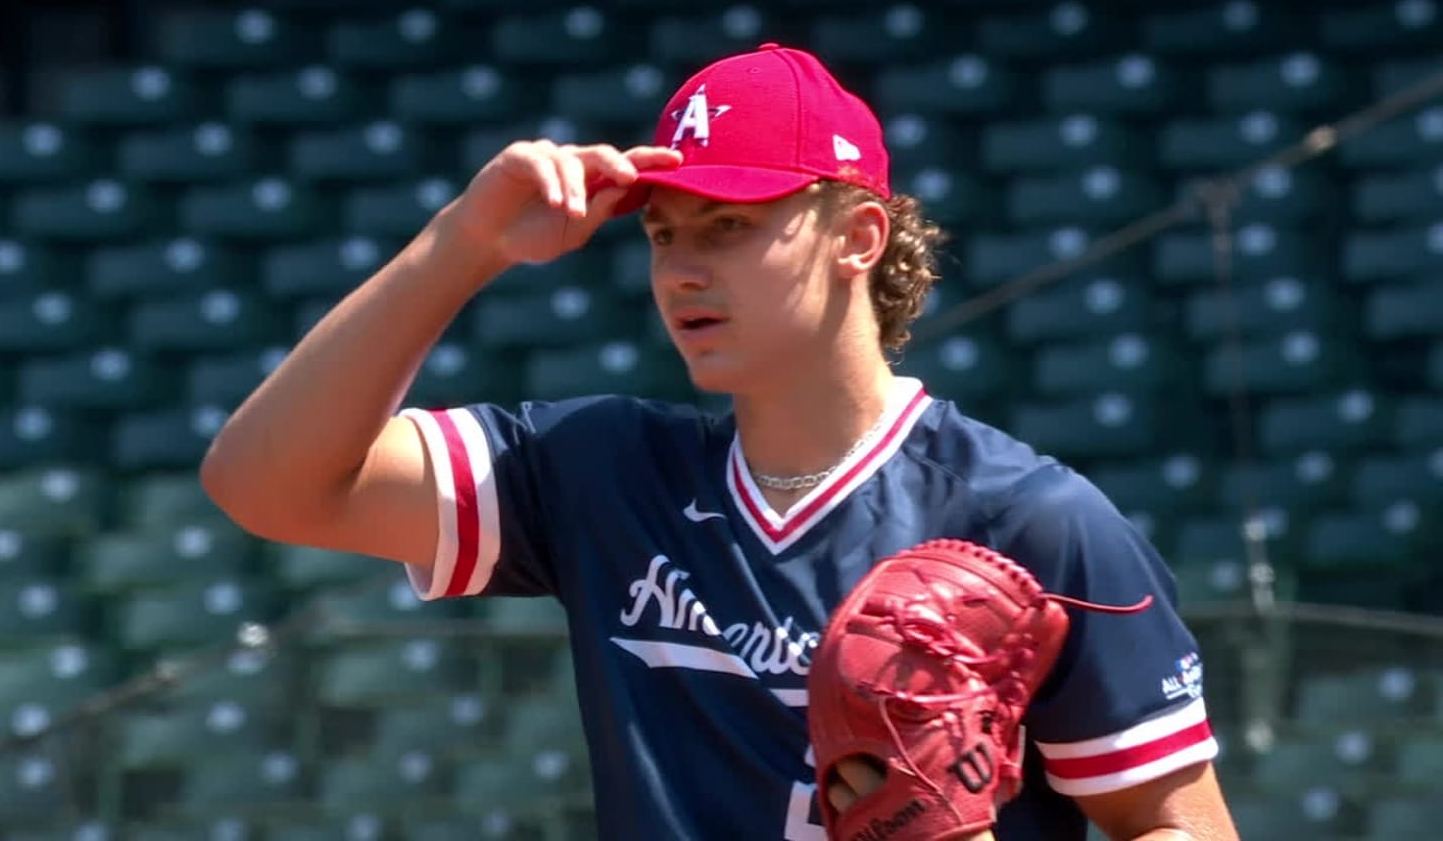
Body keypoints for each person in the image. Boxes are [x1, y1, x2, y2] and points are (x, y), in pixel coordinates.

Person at [200, 43, 1239, 840]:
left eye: (729, 227)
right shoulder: (604, 470)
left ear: (858, 237)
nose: (682, 270)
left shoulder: (1032, 520)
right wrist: (460, 245)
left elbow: (1178, 823)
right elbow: (267, 484)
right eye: (664, 234)